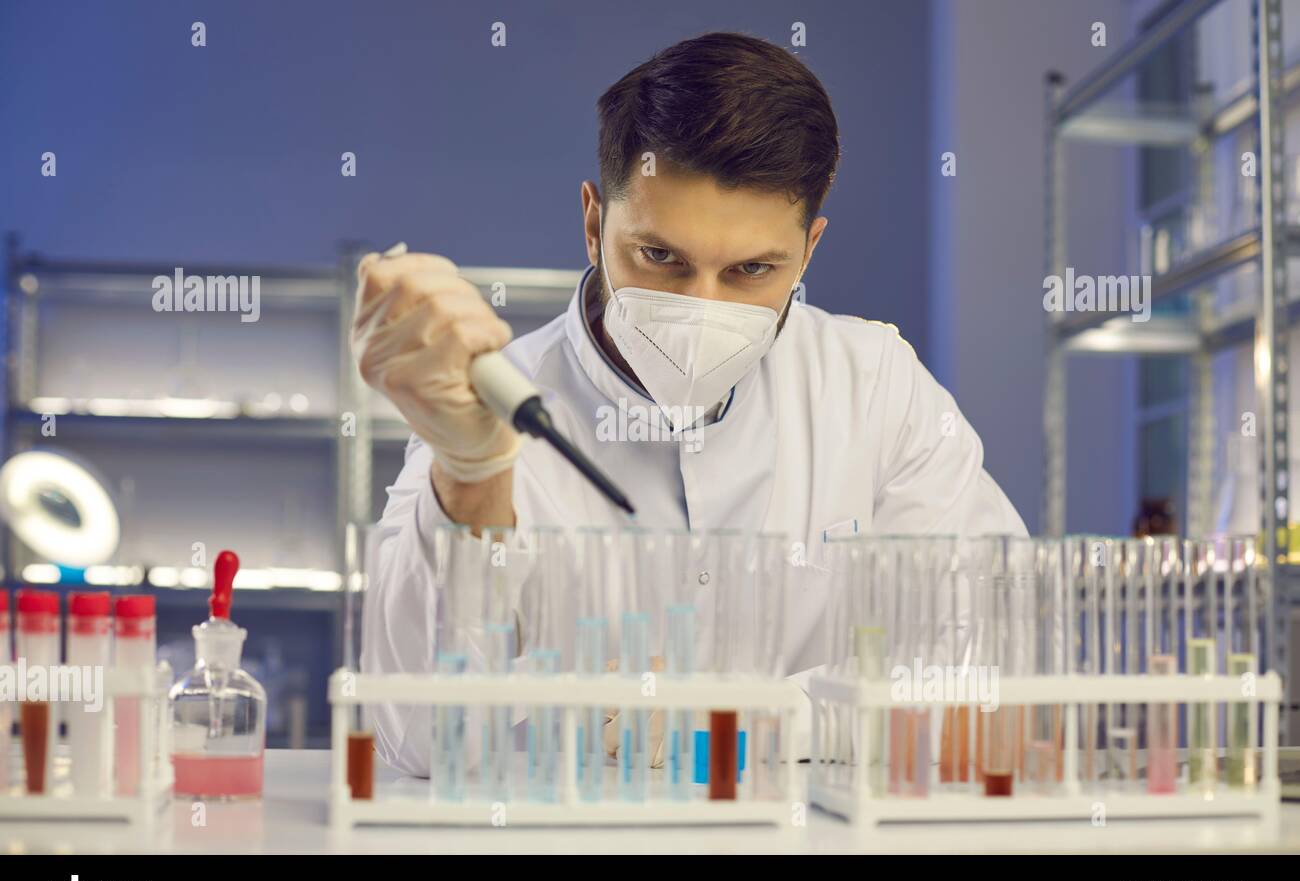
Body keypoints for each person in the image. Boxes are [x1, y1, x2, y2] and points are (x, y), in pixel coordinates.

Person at [351, 32, 1026, 776]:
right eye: (661, 257)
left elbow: (990, 649)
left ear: (809, 251)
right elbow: (420, 734)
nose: (701, 309)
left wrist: (748, 721)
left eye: (751, 269)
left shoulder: (873, 385)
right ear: (592, 223)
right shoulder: (489, 402)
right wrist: (470, 469)